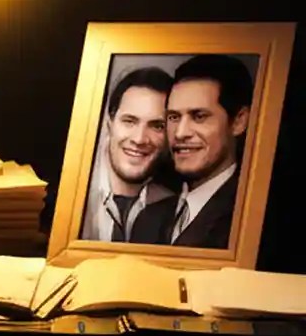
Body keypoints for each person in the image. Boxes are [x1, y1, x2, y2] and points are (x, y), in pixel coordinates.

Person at [163, 54, 253, 248]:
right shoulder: (148, 217)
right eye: (173, 117)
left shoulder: (252, 219)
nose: (180, 133)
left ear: (239, 121)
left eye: (199, 116)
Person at [81, 66, 178, 242]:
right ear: (110, 123)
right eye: (129, 121)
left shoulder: (176, 204)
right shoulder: (70, 189)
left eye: (157, 126)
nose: (140, 139)